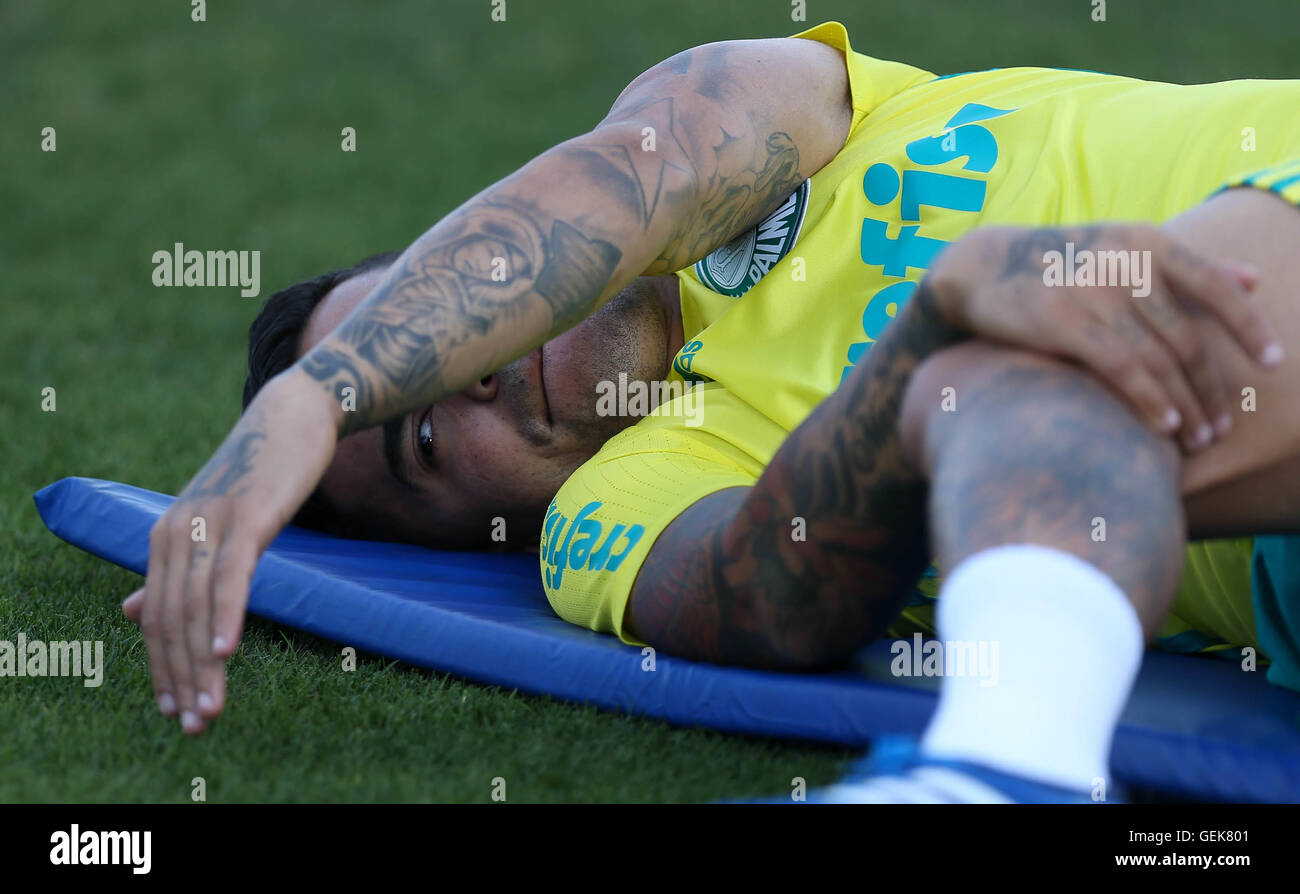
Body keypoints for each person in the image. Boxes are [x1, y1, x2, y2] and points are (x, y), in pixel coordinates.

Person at [122, 22, 1300, 800]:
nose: (459, 378)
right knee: (1019, 359)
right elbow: (770, 603)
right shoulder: (614, 510)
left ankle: (1002, 770)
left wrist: (321, 395)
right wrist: (931, 337)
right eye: (422, 438)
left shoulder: (786, 130)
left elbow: (655, 157)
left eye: (426, 338)